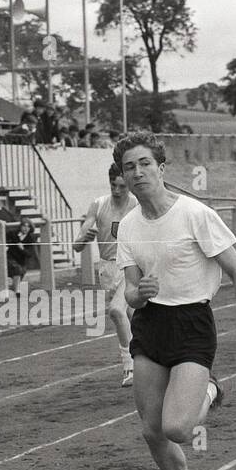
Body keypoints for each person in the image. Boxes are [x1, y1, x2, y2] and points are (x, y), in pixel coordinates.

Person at [115, 131, 236, 470]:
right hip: (150, 328)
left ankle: (211, 391)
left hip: (192, 326)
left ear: (161, 168)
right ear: (123, 176)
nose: (138, 172)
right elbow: (130, 292)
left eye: (145, 163)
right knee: (152, 430)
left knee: (178, 429)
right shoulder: (128, 226)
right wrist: (138, 293)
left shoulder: (194, 214)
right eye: (129, 167)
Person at [73, 162, 138, 386]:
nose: (117, 190)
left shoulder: (138, 204)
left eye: (122, 186)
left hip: (132, 265)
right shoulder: (98, 205)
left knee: (116, 311)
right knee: (134, 320)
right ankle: (154, 361)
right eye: (114, 186)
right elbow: (77, 246)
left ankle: (129, 368)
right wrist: (85, 238)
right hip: (108, 270)